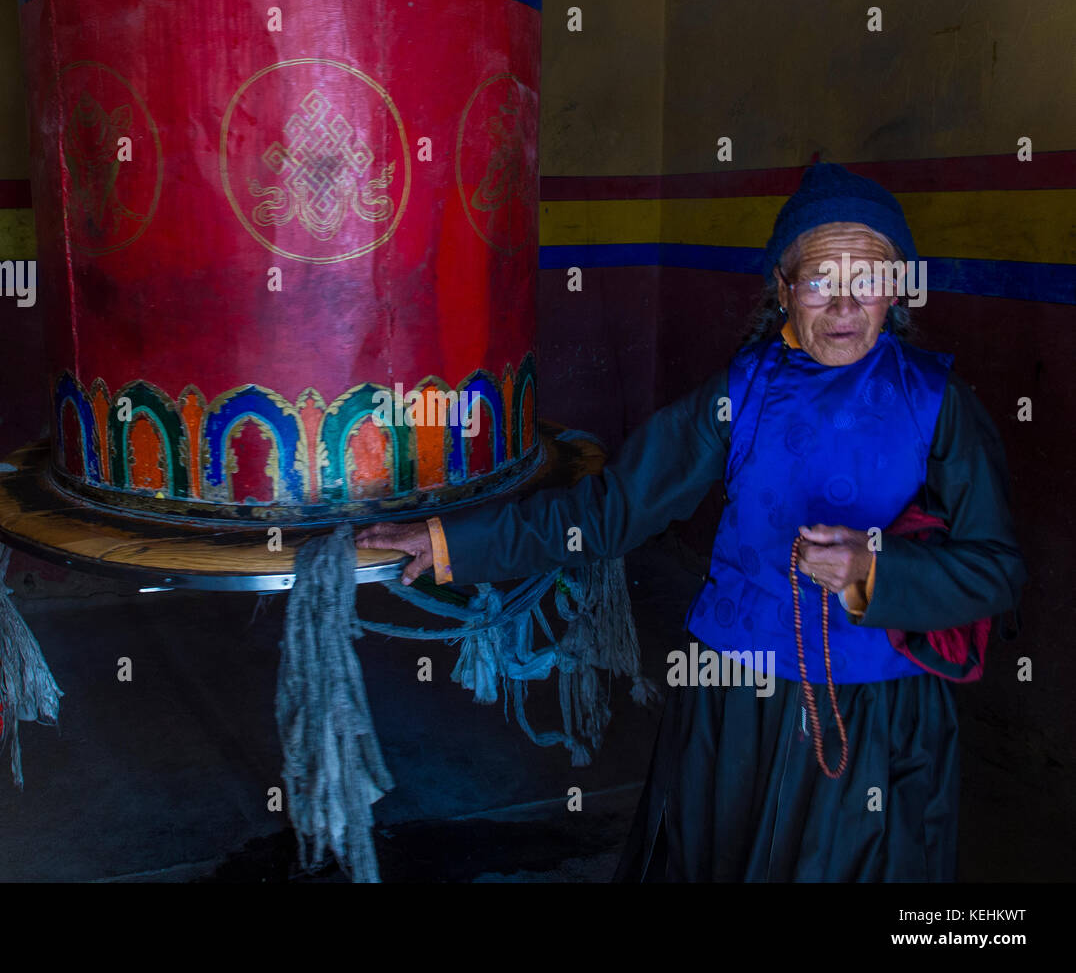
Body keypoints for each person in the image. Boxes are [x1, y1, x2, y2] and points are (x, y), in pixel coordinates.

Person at [354, 162, 1026, 882]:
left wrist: (876, 571)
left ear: (895, 289)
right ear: (783, 290)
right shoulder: (741, 394)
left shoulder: (937, 404)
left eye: (867, 280)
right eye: (818, 281)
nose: (843, 305)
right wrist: (448, 541)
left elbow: (996, 572)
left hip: (873, 714)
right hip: (732, 703)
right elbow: (612, 509)